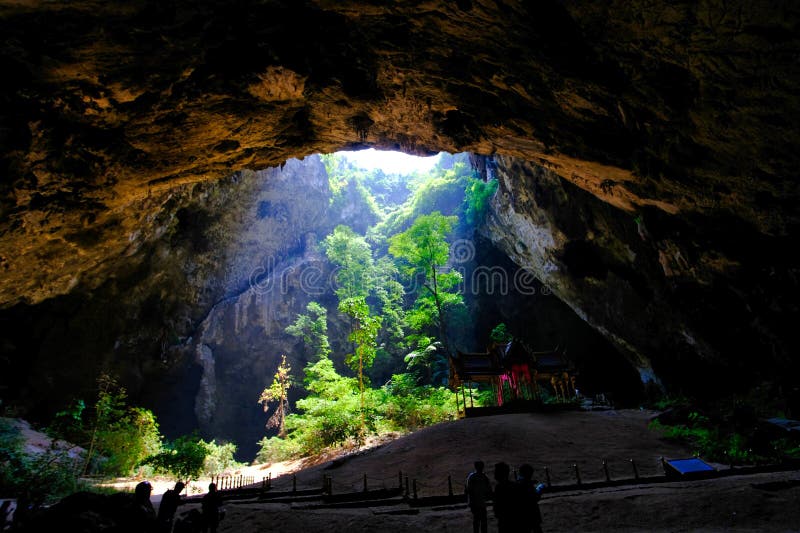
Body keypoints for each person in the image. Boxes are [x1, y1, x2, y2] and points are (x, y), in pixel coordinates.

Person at [465, 460, 492, 533]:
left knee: (479, 521)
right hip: (477, 502)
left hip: (479, 502)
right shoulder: (483, 476)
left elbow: (468, 489)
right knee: (480, 521)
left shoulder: (473, 476)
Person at [516, 464, 544, 533]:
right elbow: (535, 497)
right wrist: (540, 489)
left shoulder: (517, 483)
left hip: (522, 515)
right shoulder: (528, 485)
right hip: (533, 513)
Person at [492, 462, 519, 533]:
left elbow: (497, 505)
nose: (494, 473)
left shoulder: (499, 487)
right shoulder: (514, 485)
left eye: (496, 471)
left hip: (504, 519)